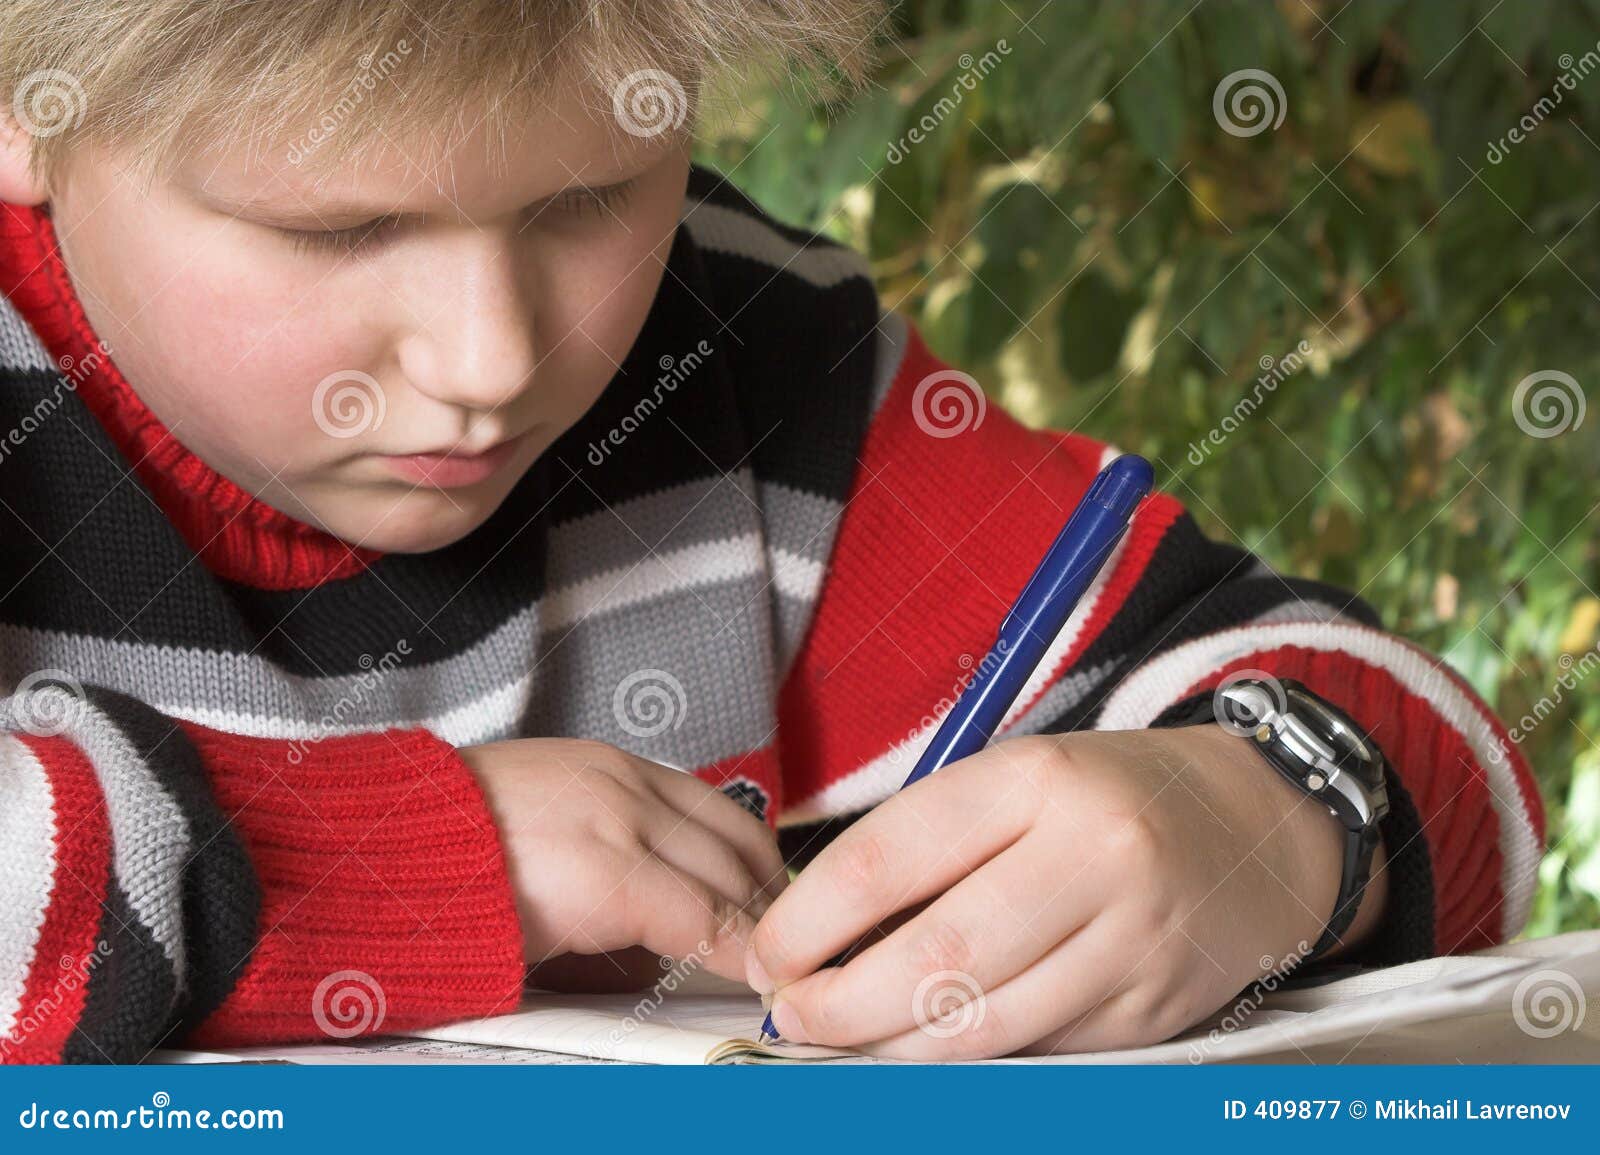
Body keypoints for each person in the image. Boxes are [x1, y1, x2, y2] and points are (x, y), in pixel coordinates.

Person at [0, 0, 1541, 1063]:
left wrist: (1262, 820)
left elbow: (1411, 733)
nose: (489, 361)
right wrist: (389, 865)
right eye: (336, 229)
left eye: (589, 196)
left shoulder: (748, 360)